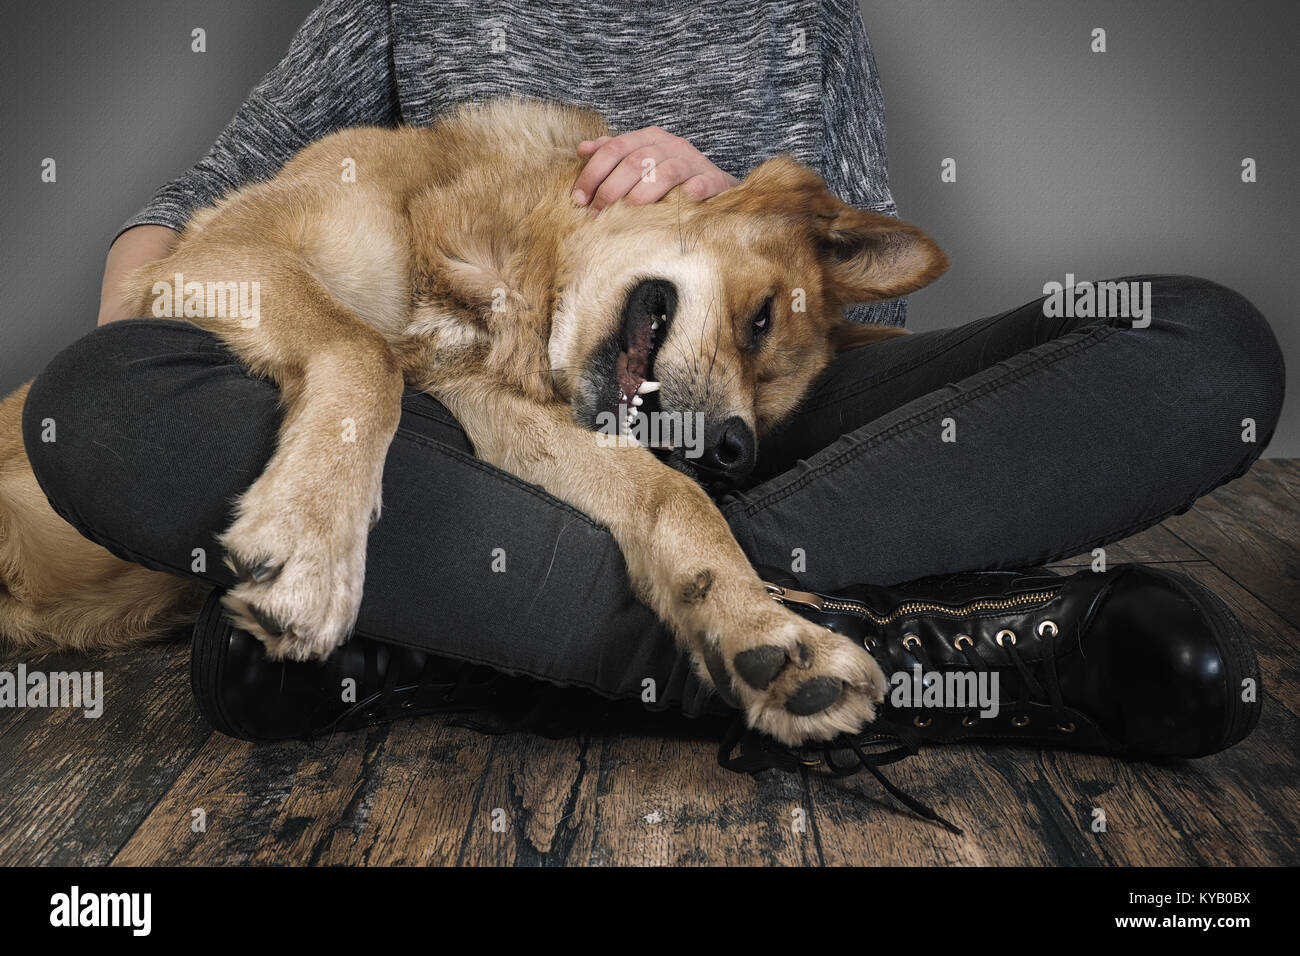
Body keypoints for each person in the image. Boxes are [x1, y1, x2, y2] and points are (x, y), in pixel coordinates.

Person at [23, 1, 1285, 779]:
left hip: (639, 467)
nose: (714, 398)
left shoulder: (804, 13)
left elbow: (845, 318)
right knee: (103, 402)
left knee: (1201, 343)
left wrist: (734, 191)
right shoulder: (405, 16)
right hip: (452, 414)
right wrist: (320, 372)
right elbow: (183, 223)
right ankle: (909, 648)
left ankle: (463, 637)